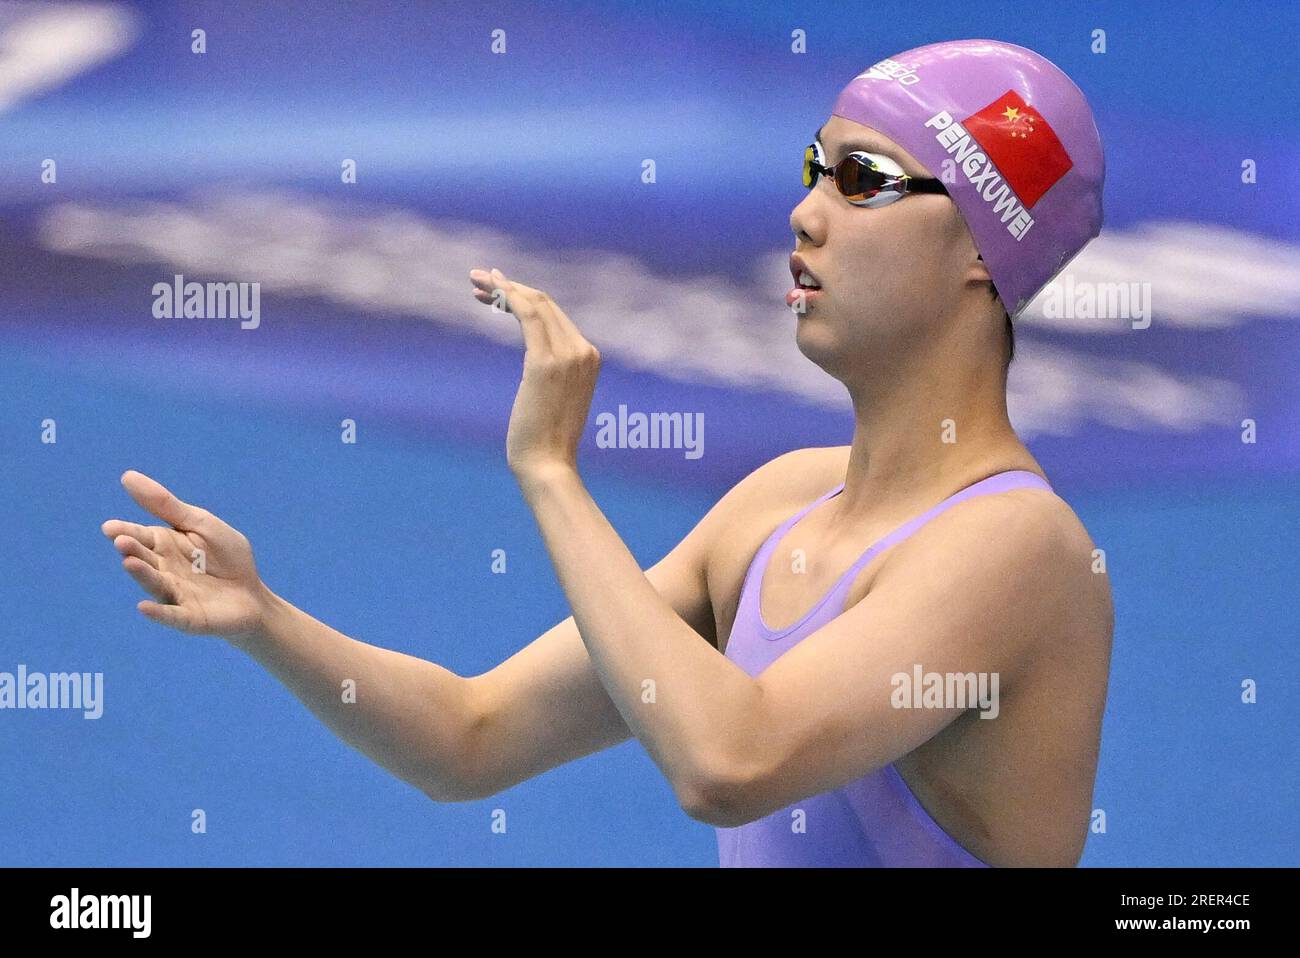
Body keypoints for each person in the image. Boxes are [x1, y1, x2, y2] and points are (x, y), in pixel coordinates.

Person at [101, 39, 1113, 867]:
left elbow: (729, 758)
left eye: (862, 182)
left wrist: (550, 472)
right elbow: (471, 735)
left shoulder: (1017, 549)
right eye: (814, 170)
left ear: (986, 249)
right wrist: (265, 618)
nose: (805, 211)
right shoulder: (778, 507)